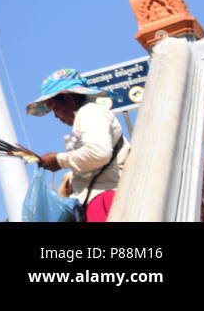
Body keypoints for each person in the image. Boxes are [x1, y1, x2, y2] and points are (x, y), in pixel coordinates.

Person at [27, 68, 129, 222]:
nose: (55, 116)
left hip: (104, 199)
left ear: (68, 99)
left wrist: (59, 160)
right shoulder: (85, 117)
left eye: (54, 108)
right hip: (95, 200)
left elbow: (98, 153)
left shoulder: (90, 112)